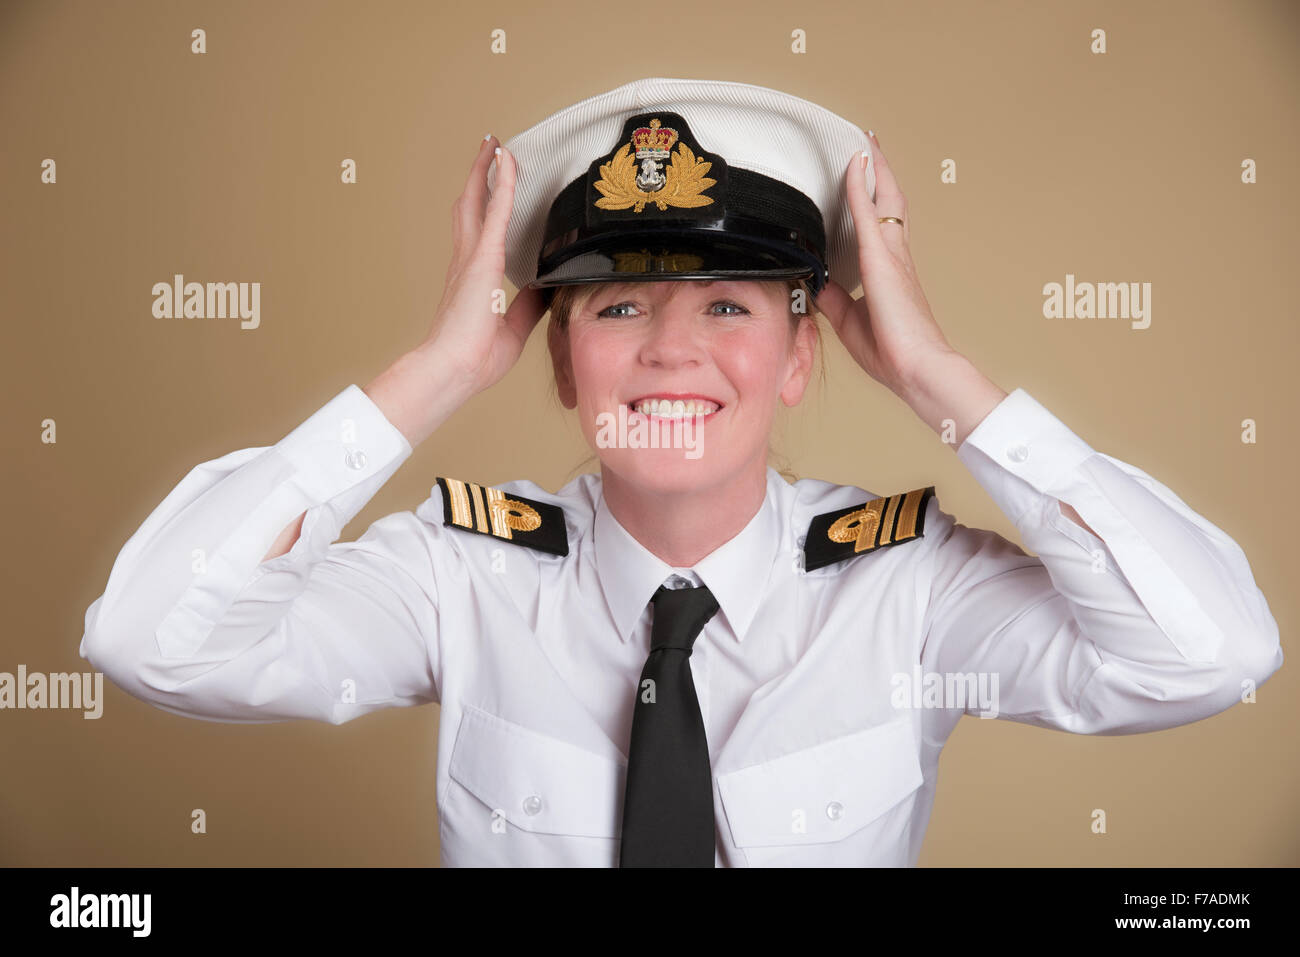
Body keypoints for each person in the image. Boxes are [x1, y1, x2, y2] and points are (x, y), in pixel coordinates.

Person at [79, 77, 1282, 867]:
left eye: (726, 303)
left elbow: (1207, 652)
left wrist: (935, 375)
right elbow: (155, 640)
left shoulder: (907, 590)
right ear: (558, 359)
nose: (670, 349)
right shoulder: (457, 577)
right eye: (614, 305)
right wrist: (435, 372)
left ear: (803, 355)